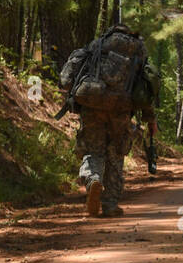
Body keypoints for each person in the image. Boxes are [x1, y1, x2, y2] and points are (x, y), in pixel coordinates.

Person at [59, 22, 150, 217]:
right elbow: (146, 85)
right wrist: (151, 119)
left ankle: (92, 179)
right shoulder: (139, 49)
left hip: (93, 104)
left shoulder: (98, 44)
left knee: (93, 150)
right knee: (116, 154)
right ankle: (110, 204)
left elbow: (72, 75)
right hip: (121, 108)